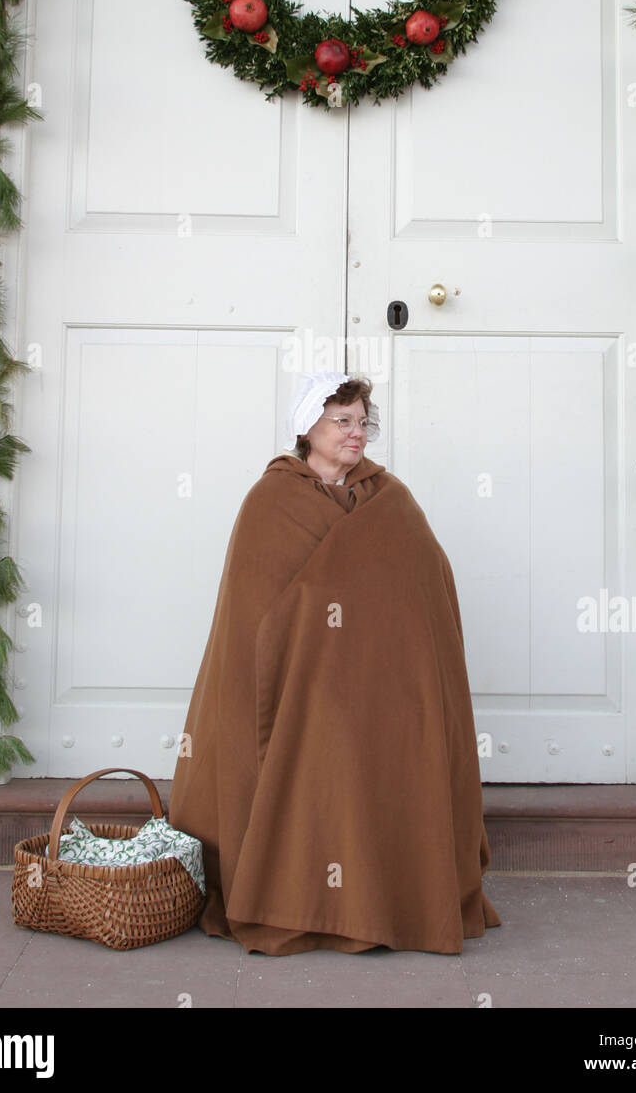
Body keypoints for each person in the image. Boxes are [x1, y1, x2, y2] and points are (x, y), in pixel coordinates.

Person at [168, 369, 501, 955]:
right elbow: (253, 611)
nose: (356, 433)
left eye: (362, 422)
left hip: (375, 684)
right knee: (317, 745)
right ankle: (298, 902)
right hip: (295, 685)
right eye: (341, 421)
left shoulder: (389, 498)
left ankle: (386, 899)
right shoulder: (271, 501)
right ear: (308, 429)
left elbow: (426, 591)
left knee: (386, 740)